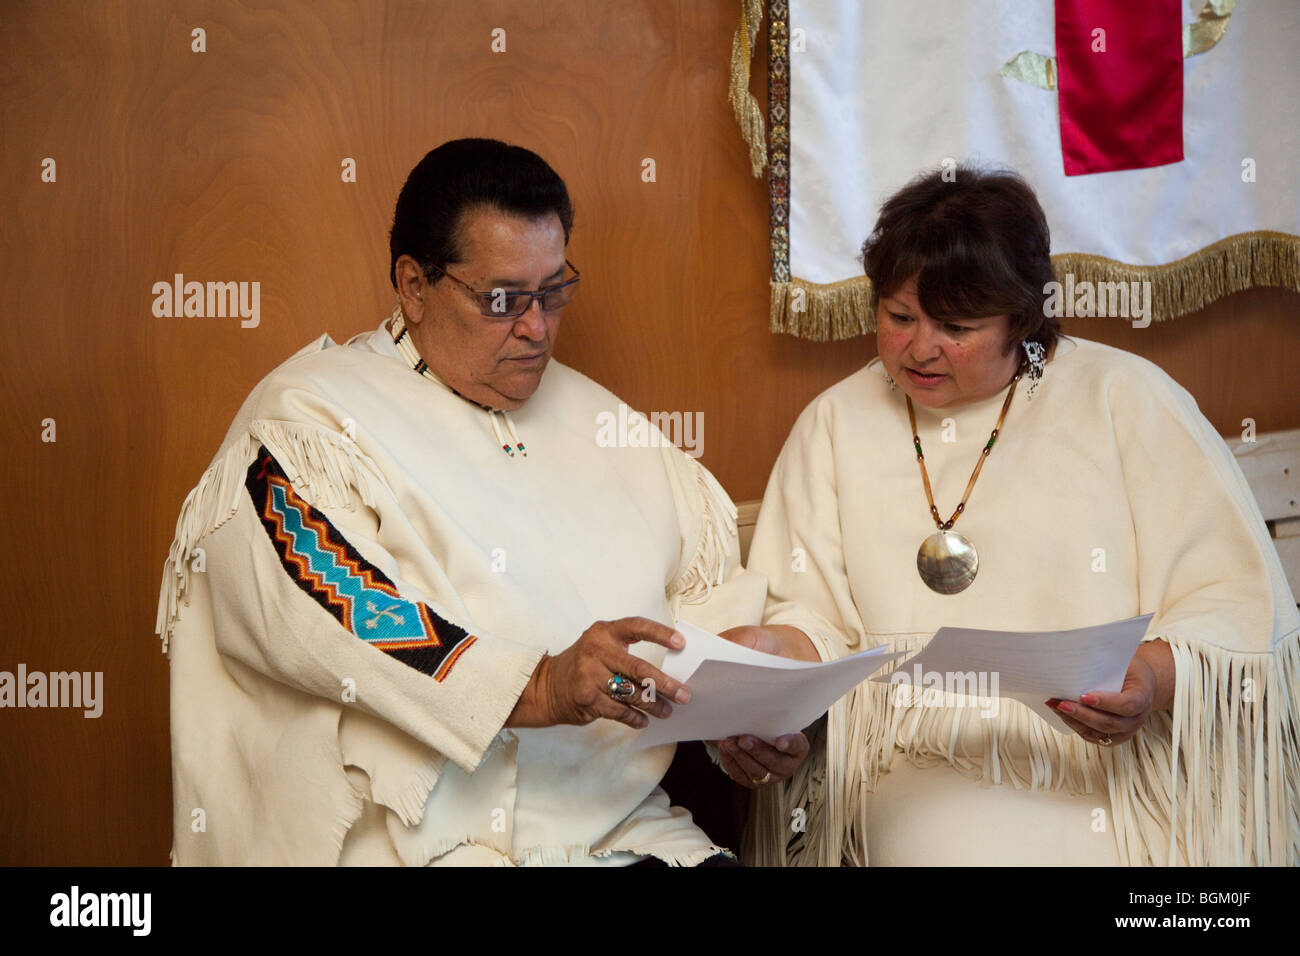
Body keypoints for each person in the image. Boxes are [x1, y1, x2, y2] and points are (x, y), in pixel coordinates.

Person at [155, 138, 814, 866]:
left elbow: (702, 618)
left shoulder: (611, 427)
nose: (536, 328)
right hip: (420, 845)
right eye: (503, 299)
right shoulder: (307, 423)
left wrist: (737, 723)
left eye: (553, 290)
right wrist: (542, 684)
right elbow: (331, 614)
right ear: (414, 285)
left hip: (625, 833)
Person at [742, 164, 1300, 866]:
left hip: (1124, 771)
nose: (920, 349)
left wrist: (1149, 679)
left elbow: (1237, 607)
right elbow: (810, 618)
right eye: (899, 316)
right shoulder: (834, 423)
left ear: (1024, 318)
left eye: (957, 326)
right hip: (925, 767)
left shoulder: (1125, 397)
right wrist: (766, 659)